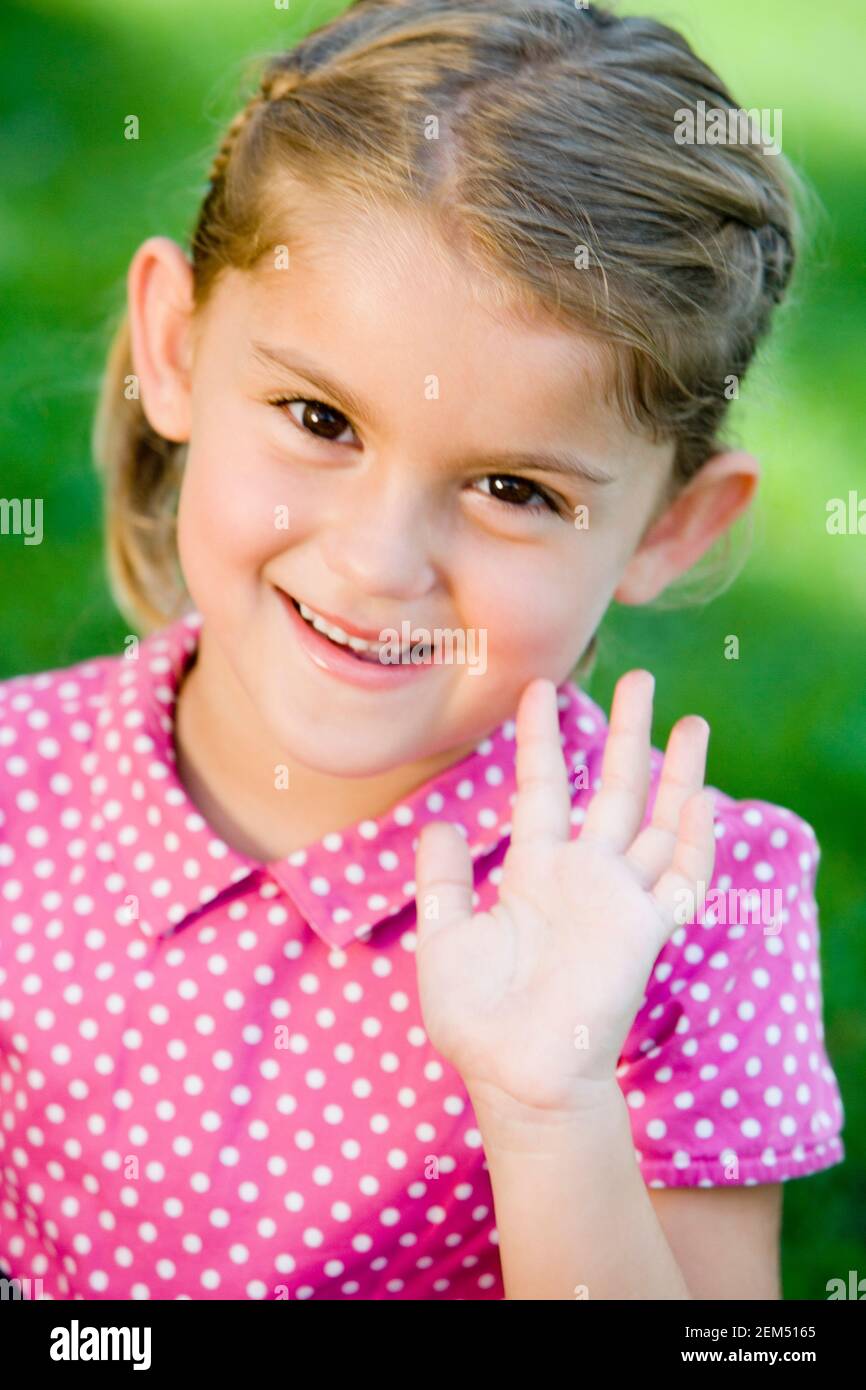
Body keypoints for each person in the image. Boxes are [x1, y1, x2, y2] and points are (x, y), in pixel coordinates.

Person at [0, 0, 845, 1300]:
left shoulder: (685, 912)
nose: (378, 559)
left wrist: (547, 1099)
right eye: (316, 417)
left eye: (514, 489)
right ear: (173, 348)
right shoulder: (19, 782)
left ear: (668, 527)